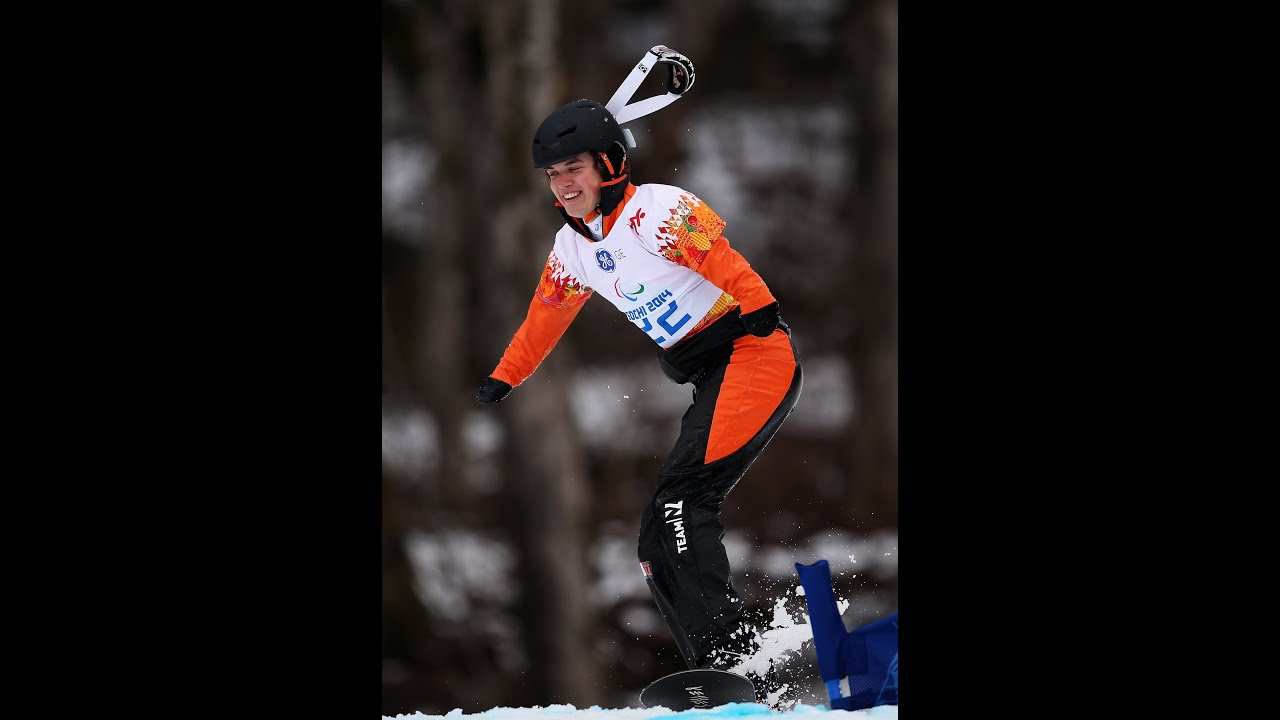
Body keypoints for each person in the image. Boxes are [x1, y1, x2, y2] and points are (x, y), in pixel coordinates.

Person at [475, 98, 803, 673]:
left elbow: (724, 262)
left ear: (609, 163)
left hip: (753, 356)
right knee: (655, 535)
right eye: (553, 174)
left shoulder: (658, 213)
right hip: (712, 375)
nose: (563, 185)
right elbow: (543, 319)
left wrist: (758, 306)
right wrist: (507, 376)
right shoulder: (573, 249)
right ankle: (712, 670)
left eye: (573, 168)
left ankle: (739, 655)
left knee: (681, 500)